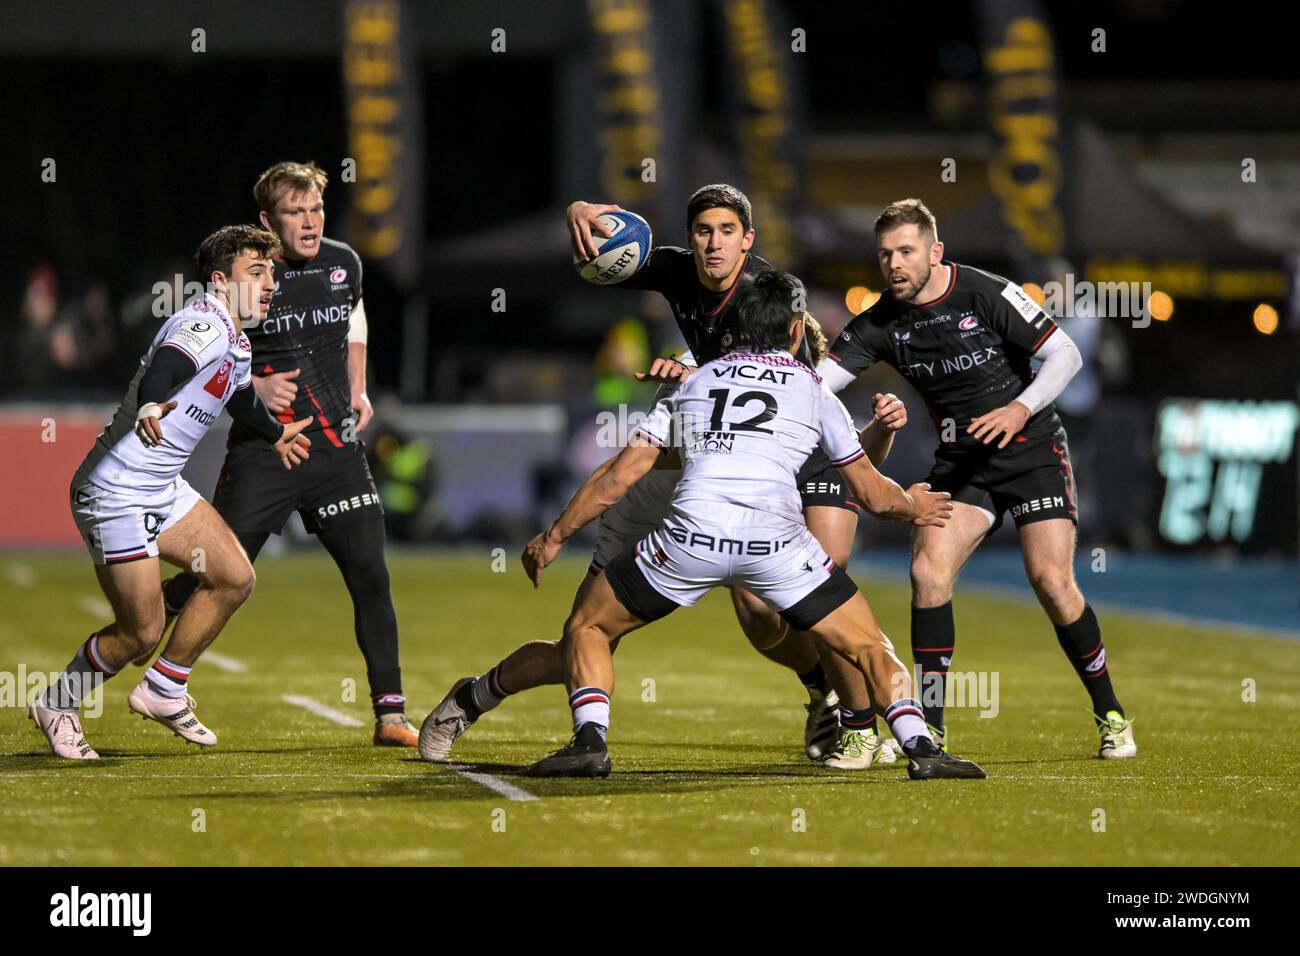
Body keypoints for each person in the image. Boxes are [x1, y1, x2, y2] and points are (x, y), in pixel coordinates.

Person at [420, 185, 907, 768]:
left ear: (749, 242)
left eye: (728, 232)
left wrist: (696, 372)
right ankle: (473, 697)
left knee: (789, 610)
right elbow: (595, 258)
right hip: (668, 467)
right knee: (583, 633)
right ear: (690, 236)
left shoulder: (770, 299)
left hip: (740, 475)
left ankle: (840, 711)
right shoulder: (675, 271)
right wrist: (574, 214)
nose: (714, 244)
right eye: (703, 231)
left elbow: (787, 395)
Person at [517, 270, 984, 780]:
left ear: (736, 329)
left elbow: (617, 477)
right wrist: (913, 505)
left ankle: (590, 740)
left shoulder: (692, 380)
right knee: (871, 647)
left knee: (588, 626)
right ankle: (922, 748)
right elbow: (873, 495)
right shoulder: (813, 389)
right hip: (775, 541)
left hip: (691, 534)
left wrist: (554, 535)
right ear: (794, 333)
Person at [819, 199, 1136, 758]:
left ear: (935, 251)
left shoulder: (985, 292)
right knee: (927, 573)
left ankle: (1110, 713)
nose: (894, 264)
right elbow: (816, 386)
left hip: (1030, 451)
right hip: (963, 465)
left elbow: (1064, 355)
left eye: (906, 251)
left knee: (1052, 583)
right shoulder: (878, 323)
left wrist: (1020, 409)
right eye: (886, 254)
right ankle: (933, 724)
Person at [155, 162, 418, 746]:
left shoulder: (344, 262)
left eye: (317, 209)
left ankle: (391, 714)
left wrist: (359, 383)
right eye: (295, 212)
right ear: (267, 222)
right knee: (214, 576)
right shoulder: (249, 277)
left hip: (335, 452)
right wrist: (253, 393)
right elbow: (206, 356)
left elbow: (354, 313)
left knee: (371, 574)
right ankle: (151, 628)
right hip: (265, 452)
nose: (309, 222)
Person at [31, 225, 312, 759]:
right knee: (140, 633)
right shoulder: (203, 322)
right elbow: (169, 368)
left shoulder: (236, 337)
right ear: (220, 281)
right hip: (115, 491)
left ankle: (164, 688)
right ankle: (57, 702)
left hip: (160, 488)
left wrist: (276, 435)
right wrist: (150, 403)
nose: (271, 282)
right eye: (257, 272)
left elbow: (242, 398)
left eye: (272, 271)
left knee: (233, 577)